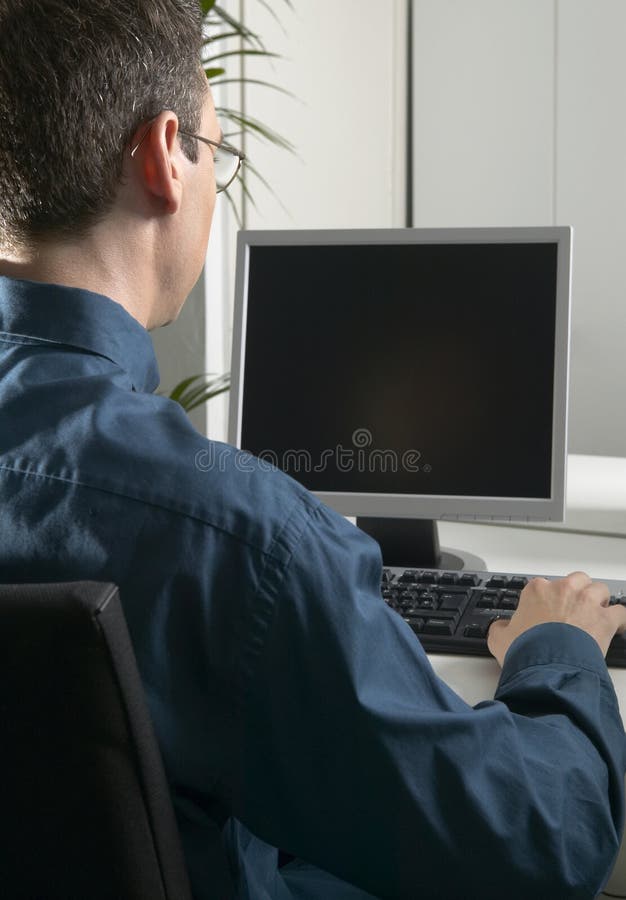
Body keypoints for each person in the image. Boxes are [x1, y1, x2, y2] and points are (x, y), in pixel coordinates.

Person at [0, 2, 625, 898]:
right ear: (163, 158)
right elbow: (535, 840)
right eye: (220, 151)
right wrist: (558, 646)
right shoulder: (241, 535)